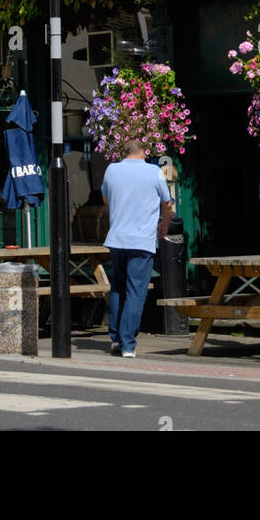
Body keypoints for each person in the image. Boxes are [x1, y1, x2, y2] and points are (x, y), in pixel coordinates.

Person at [102, 139, 173, 358]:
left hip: (117, 239)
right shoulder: (153, 171)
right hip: (141, 240)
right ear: (143, 152)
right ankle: (127, 344)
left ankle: (115, 337)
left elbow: (105, 199)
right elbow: (167, 203)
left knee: (118, 287)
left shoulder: (111, 170)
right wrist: (164, 224)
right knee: (136, 290)